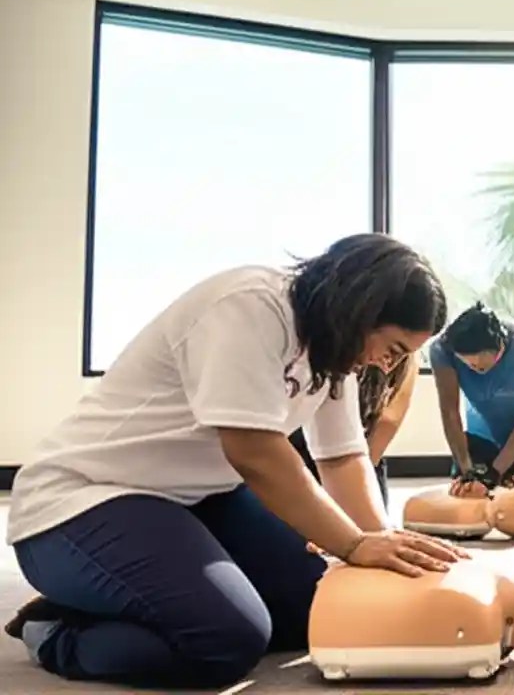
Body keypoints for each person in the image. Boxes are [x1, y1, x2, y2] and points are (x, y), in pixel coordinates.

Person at [2, 234, 470, 689]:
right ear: (360, 310)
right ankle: (55, 633)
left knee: (315, 607)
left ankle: (118, 596)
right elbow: (255, 452)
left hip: (192, 500)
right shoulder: (250, 305)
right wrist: (351, 544)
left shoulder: (334, 350)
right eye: (392, 350)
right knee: (225, 639)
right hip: (83, 500)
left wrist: (383, 545)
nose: (386, 367)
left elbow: (343, 456)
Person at [429, 303, 514, 501]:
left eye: (480, 365)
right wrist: (467, 471)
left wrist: (495, 473)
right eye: (468, 364)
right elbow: (450, 412)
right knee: (467, 496)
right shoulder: (441, 350)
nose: (474, 368)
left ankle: (512, 490)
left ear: (500, 346)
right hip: (481, 435)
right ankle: (499, 491)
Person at [292, 359, 418, 509]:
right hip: (301, 454)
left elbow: (388, 422)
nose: (386, 363)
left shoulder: (406, 363)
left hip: (359, 457)